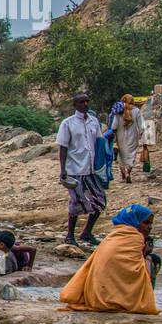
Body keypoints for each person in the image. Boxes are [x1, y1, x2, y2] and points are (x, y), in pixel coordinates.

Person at [58, 205, 159, 315]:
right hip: (112, 300)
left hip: (95, 298)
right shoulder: (135, 237)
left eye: (151, 224)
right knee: (153, 260)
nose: (150, 227)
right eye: (146, 223)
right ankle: (143, 300)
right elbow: (132, 272)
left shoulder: (113, 235)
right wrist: (146, 255)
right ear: (134, 221)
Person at [58, 92, 105, 246]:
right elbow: (63, 147)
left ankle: (86, 232)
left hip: (91, 169)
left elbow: (99, 143)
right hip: (74, 169)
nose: (85, 104)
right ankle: (70, 235)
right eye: (81, 102)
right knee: (77, 202)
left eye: (86, 101)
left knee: (100, 201)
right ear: (75, 105)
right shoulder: (68, 123)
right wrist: (63, 169)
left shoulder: (94, 122)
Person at [109, 94, 142, 184]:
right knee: (131, 155)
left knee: (121, 156)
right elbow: (141, 125)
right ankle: (128, 172)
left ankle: (123, 175)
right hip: (133, 137)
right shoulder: (137, 111)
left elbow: (114, 126)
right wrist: (142, 134)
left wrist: (112, 134)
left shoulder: (118, 111)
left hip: (120, 137)